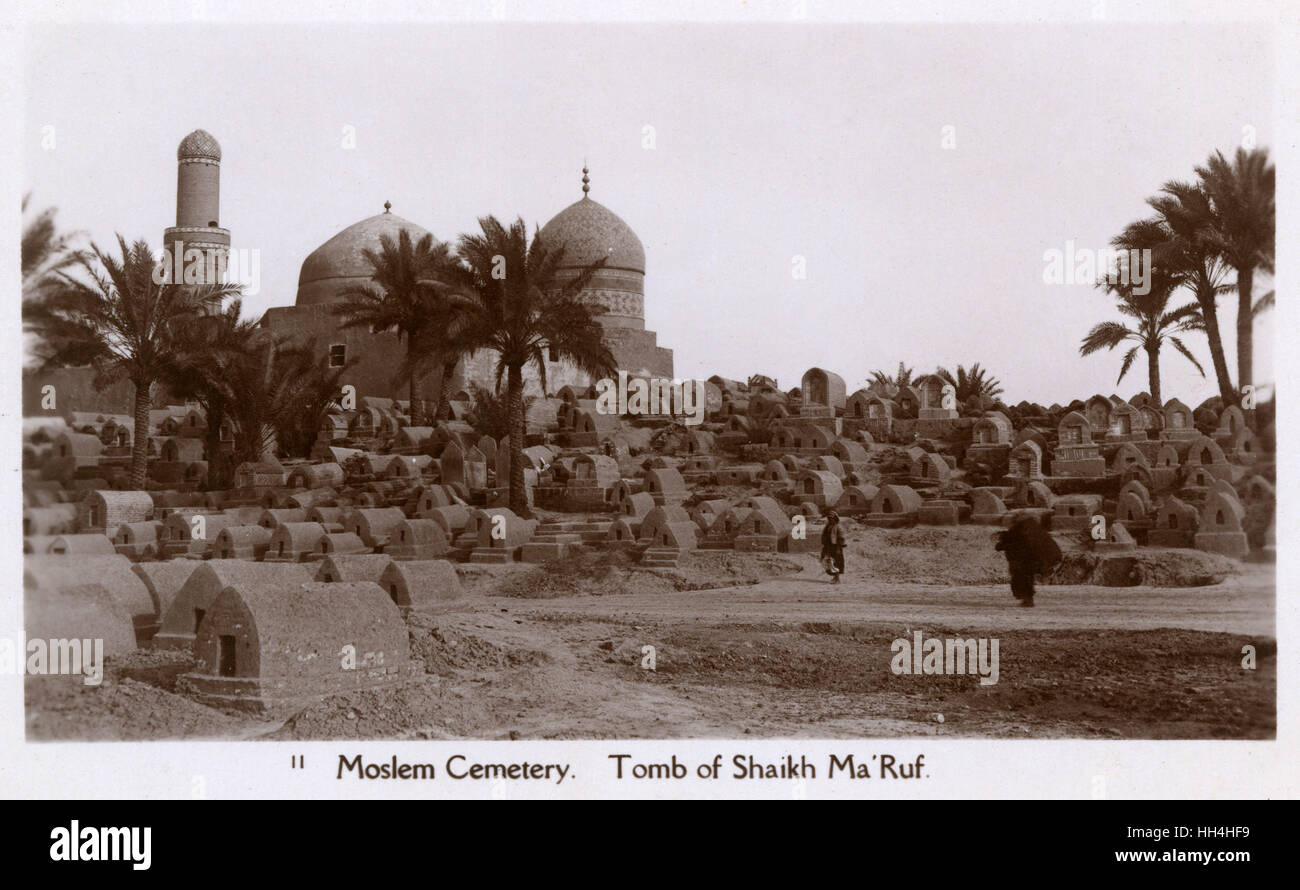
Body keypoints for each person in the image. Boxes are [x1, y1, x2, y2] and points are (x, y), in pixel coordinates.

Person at [994, 513, 1061, 607]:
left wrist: (1002, 545)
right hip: (1028, 562)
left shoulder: (1018, 531)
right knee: (1027, 580)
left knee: (1022, 580)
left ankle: (1027, 600)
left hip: (1022, 563)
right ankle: (1028, 599)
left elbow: (1012, 544)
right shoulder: (1034, 531)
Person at [821, 510, 846, 583]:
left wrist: (839, 547)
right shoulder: (828, 526)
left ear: (835, 518)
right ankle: (834, 577)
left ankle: (837, 578)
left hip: (836, 547)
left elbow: (841, 538)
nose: (830, 519)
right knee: (829, 562)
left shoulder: (838, 526)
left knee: (836, 562)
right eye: (829, 518)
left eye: (832, 518)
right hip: (828, 546)